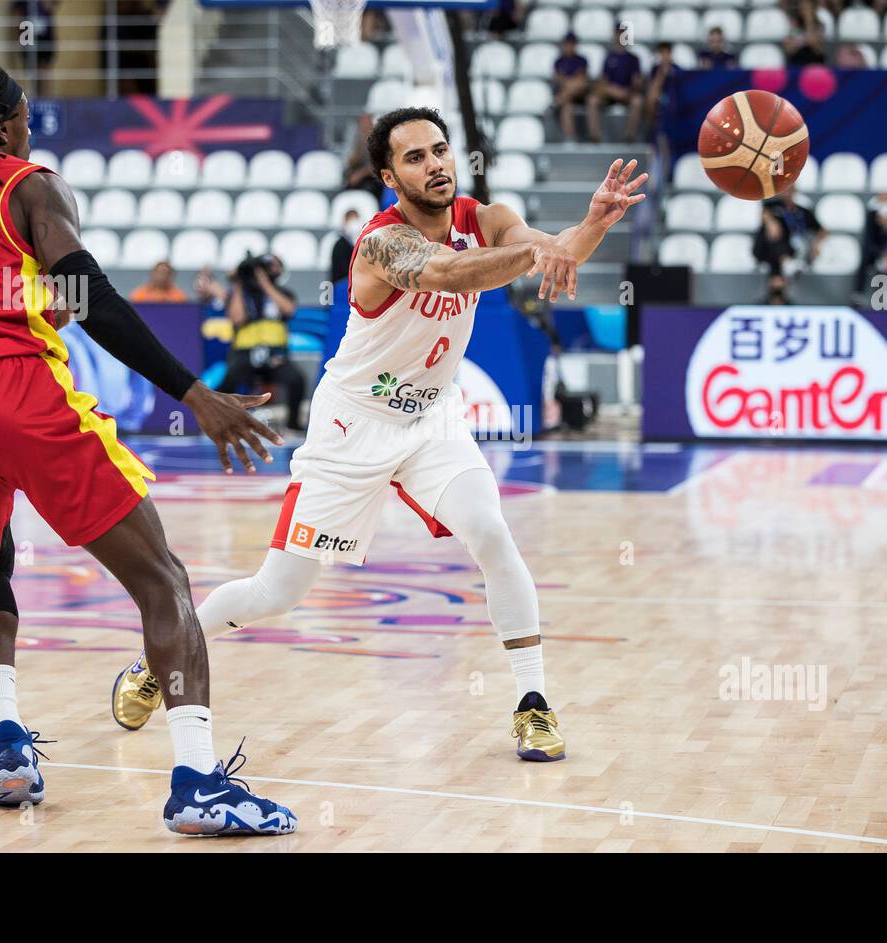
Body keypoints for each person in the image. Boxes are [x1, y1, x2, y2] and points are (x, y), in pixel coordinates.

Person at [110, 106, 648, 765]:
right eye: (416, 157)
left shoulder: (488, 218)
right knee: (278, 591)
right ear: (390, 176)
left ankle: (532, 703)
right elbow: (454, 273)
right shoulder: (380, 243)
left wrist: (589, 225)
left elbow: (545, 249)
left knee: (490, 529)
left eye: (441, 149)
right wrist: (547, 249)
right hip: (350, 426)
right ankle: (152, 658)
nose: (436, 164)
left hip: (431, 418)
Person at [0, 57, 293, 836]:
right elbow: (87, 292)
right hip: (16, 397)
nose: (31, 122)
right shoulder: (27, 182)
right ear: (1, 124)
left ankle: (6, 740)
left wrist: (30, 304)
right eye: (25, 110)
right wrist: (192, 393)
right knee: (163, 579)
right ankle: (199, 780)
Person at [218, 252, 307, 432]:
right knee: (227, 382)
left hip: (275, 355)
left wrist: (265, 283)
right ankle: (221, 422)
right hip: (244, 354)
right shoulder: (240, 293)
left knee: (297, 379)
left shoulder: (283, 292)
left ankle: (293, 425)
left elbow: (288, 310)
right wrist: (237, 283)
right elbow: (237, 318)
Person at [587, 24, 643, 143]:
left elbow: (637, 83)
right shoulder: (608, 57)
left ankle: (629, 136)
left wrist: (628, 90)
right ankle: (595, 136)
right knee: (593, 100)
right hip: (610, 94)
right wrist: (612, 90)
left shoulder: (633, 59)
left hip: (626, 94)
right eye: (618, 33)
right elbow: (603, 81)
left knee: (637, 101)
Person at [755, 190, 826, 279]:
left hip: (797, 246)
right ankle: (786, 262)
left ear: (795, 191)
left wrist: (816, 243)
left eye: (790, 189)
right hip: (772, 249)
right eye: (785, 189)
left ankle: (791, 265)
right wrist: (771, 222)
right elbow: (764, 214)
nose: (787, 192)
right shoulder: (772, 206)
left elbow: (822, 230)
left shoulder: (802, 211)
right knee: (771, 232)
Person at [853, 193, 887, 301]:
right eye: (881, 198)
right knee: (864, 258)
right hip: (877, 251)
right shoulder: (871, 216)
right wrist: (883, 255)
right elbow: (869, 241)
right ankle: (857, 293)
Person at [552, 32, 590, 143]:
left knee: (579, 85)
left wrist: (569, 81)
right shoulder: (559, 61)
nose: (570, 46)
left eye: (572, 43)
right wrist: (571, 81)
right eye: (568, 43)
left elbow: (582, 79)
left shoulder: (581, 60)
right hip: (567, 95)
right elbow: (558, 79)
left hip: (579, 95)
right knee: (567, 106)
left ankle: (558, 101)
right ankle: (570, 137)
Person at [645, 42, 683, 139]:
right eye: (662, 53)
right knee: (651, 98)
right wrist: (661, 74)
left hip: (675, 96)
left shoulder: (677, 68)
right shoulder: (655, 69)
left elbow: (680, 88)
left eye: (667, 53)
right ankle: (651, 128)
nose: (665, 56)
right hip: (660, 97)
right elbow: (653, 88)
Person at [344, 112, 381, 199]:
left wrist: (360, 174)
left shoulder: (379, 139)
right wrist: (360, 146)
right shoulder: (355, 139)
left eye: (368, 122)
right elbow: (350, 162)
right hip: (357, 174)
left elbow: (378, 165)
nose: (366, 126)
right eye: (363, 123)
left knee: (368, 188)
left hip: (374, 177)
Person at [330, 208, 361, 286]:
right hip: (343, 287)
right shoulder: (339, 245)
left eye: (356, 221)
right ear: (345, 223)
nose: (354, 225)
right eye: (351, 221)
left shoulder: (363, 244)